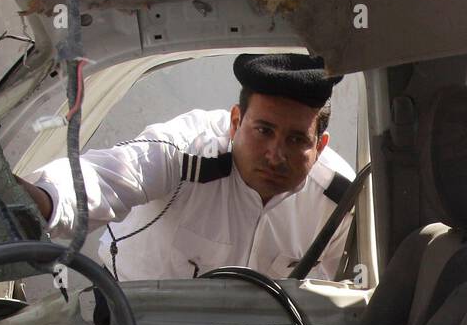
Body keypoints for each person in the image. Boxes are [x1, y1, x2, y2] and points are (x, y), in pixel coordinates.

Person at [18, 53, 356, 281]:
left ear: (320, 146)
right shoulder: (183, 152)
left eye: (297, 140)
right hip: (132, 322)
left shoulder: (338, 199)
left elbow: (359, 292)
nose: (276, 155)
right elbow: (105, 176)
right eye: (263, 131)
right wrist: (39, 200)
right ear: (235, 123)